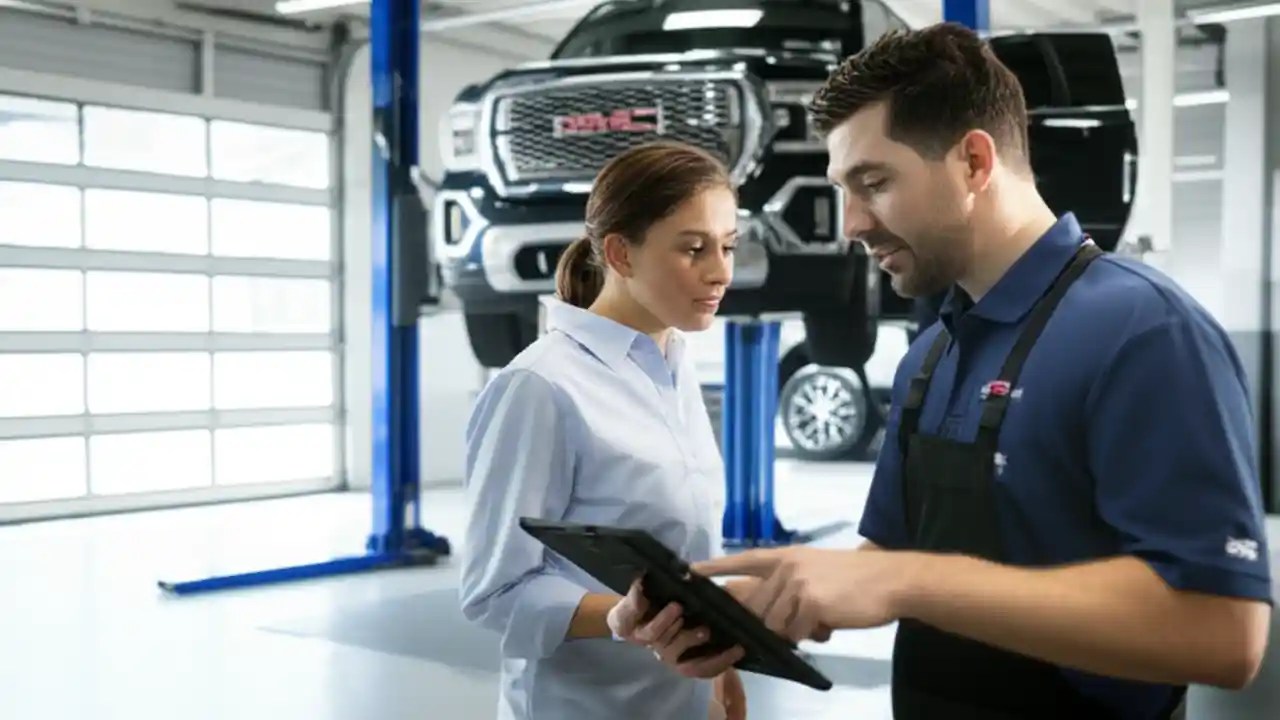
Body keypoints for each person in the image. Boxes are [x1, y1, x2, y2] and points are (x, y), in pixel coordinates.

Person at [674, 22, 1271, 719]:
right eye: (844, 188)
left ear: (974, 164)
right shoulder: (932, 353)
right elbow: (886, 560)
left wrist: (912, 581)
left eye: (874, 182)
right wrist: (751, 607)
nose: (851, 224)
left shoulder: (1143, 332)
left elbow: (1224, 633)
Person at [457, 140, 748, 720]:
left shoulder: (673, 366)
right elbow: (493, 593)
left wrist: (722, 674)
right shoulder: (541, 386)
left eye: (728, 247)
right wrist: (617, 616)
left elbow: (691, 548)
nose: (719, 272)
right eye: (693, 249)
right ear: (620, 254)